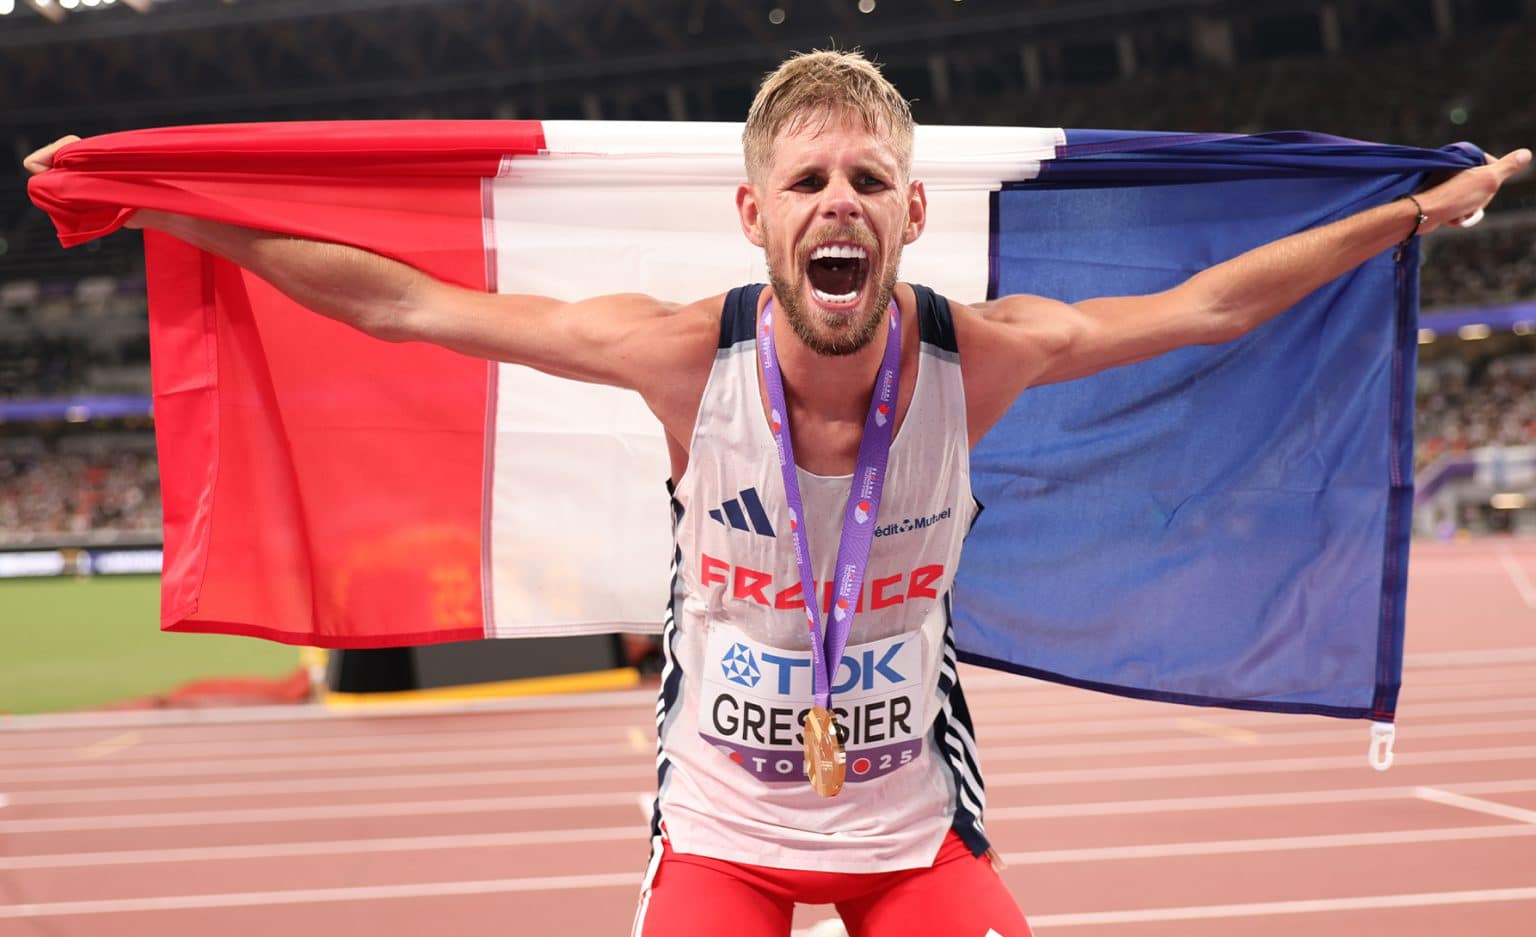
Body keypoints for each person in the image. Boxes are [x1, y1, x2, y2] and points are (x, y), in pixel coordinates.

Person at [24, 49, 1528, 937]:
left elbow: (1207, 309)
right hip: (724, 825)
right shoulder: (684, 359)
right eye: (809, 182)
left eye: (869, 182)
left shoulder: (983, 359)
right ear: (754, 216)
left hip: (912, 827)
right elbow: (405, 307)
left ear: (913, 214)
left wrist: (1410, 214)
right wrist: (174, 205)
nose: (840, 205)